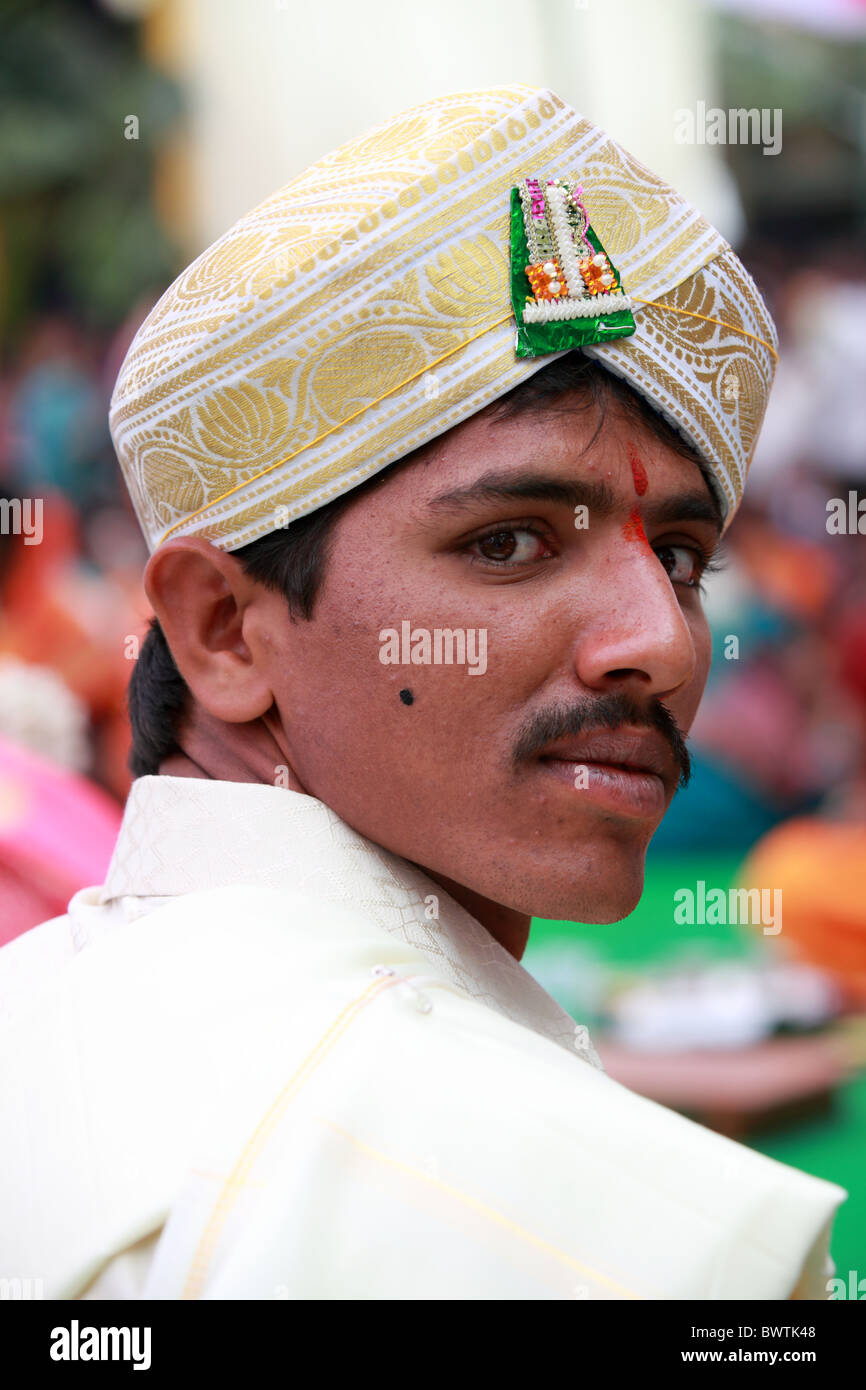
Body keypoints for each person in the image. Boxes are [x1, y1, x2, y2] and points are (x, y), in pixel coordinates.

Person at [0, 84, 846, 1300]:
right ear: (224, 630)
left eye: (677, 556)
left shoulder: (35, 1016)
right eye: (508, 543)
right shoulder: (646, 1244)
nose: (659, 642)